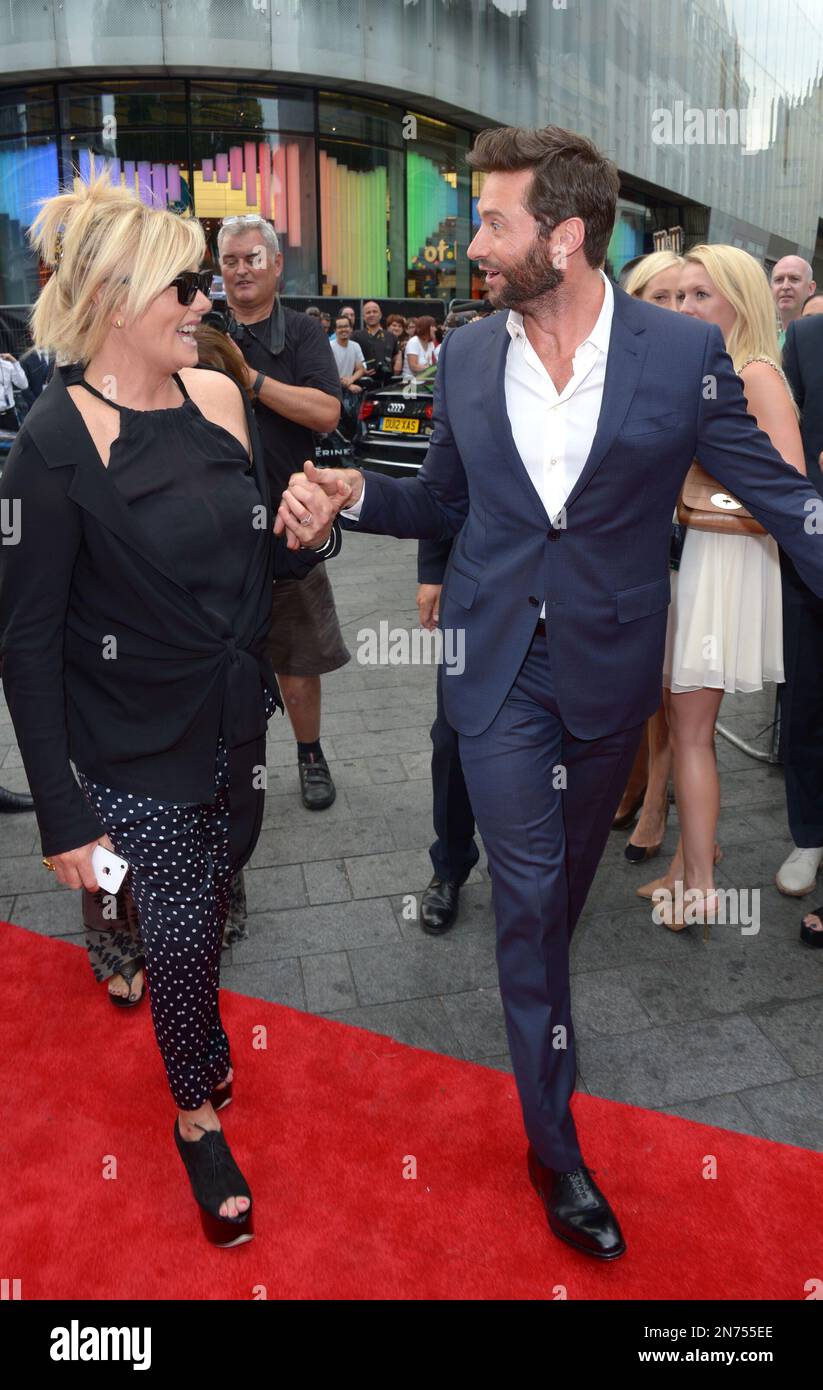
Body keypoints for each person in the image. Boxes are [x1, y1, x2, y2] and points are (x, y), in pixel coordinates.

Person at [282, 123, 823, 1262]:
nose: (472, 242)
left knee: (562, 886)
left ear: (563, 237)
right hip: (493, 669)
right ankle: (554, 1142)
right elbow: (438, 501)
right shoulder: (474, 355)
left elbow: (782, 495)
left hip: (605, 668)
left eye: (492, 222)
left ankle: (539, 1001)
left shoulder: (679, 360)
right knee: (528, 894)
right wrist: (349, 495)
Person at [0, 172, 349, 1248]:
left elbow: (255, 558)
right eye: (183, 285)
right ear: (115, 301)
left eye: (205, 280)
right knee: (187, 934)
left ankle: (190, 1035)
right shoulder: (49, 451)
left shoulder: (217, 398)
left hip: (232, 727)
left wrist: (310, 530)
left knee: (223, 873)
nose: (203, 302)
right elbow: (23, 642)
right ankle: (200, 1115)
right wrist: (63, 816)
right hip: (126, 748)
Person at [644, 245, 805, 928]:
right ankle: (684, 868)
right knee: (688, 728)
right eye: (678, 296)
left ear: (739, 299)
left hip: (723, 564)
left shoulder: (755, 371)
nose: (684, 309)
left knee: (689, 731)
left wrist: (697, 490)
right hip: (695, 560)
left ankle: (698, 885)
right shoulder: (703, 368)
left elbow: (791, 491)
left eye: (700, 295)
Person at [219, 213, 351, 811]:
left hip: (289, 521)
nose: (241, 269)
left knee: (298, 658)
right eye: (230, 261)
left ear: (276, 265)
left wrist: (250, 379)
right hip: (215, 530)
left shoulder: (301, 332)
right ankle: (228, 761)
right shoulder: (201, 331)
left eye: (252, 258)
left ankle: (310, 753)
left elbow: (327, 413)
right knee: (222, 658)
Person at [611, 251, 684, 864]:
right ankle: (635, 782)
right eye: (658, 298)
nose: (675, 310)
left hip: (684, 554)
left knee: (672, 687)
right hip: (622, 559)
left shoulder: (698, 362)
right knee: (639, 684)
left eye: (683, 296)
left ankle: (658, 795)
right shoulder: (607, 362)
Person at [776, 308, 823, 934]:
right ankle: (809, 834)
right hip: (810, 556)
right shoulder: (807, 338)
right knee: (806, 702)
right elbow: (782, 448)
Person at [329, 313, 367, 437]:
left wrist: (351, 380)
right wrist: (349, 385)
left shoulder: (355, 346)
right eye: (339, 327)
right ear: (335, 330)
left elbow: (360, 369)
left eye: (346, 326)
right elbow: (330, 372)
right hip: (333, 390)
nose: (343, 329)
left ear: (351, 329)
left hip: (349, 390)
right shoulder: (330, 346)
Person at [770, 255, 816, 347]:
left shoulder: (817, 338)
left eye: (794, 279)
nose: (785, 286)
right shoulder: (762, 341)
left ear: (810, 288)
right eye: (779, 280)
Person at [351, 300, 397, 382]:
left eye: (375, 311)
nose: (372, 314)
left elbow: (396, 356)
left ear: (380, 315)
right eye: (368, 312)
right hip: (364, 382)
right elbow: (350, 358)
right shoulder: (355, 336)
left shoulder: (391, 336)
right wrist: (361, 370)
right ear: (363, 317)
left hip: (387, 382)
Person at [402, 316, 436, 382]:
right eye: (432, 326)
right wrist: (434, 369)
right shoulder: (414, 342)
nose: (435, 329)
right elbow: (414, 367)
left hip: (425, 382)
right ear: (425, 328)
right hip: (410, 384)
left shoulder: (430, 344)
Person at [0, 350, 27, 430]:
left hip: (9, 415)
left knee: (14, 440)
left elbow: (23, 385)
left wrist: (15, 362)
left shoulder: (7, 365)